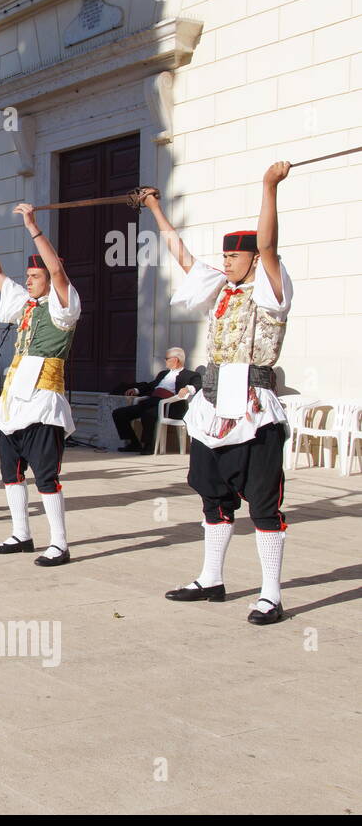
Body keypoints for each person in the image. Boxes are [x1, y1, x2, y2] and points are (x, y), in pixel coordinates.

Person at [143, 165, 295, 625]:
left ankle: (271, 593)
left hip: (252, 406)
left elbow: (268, 245)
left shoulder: (271, 290)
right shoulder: (221, 290)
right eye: (225, 255)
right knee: (212, 495)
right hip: (213, 406)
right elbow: (183, 256)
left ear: (252, 258)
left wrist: (267, 186)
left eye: (235, 255)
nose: (227, 261)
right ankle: (212, 578)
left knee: (264, 502)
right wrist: (154, 207)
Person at [0, 203, 80, 566]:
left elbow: (58, 272)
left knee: (46, 475)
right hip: (14, 399)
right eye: (29, 276)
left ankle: (60, 543)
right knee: (11, 472)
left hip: (44, 401)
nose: (29, 280)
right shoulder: (27, 304)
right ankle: (21, 534)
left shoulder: (63, 306)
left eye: (35, 276)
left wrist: (33, 226)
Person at [112, 347, 201, 453]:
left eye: (167, 358)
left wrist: (187, 389)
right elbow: (151, 385)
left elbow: (198, 385)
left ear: (175, 360)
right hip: (152, 401)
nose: (165, 361)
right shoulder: (163, 374)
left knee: (148, 414)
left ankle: (148, 446)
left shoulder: (191, 375)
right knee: (119, 413)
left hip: (169, 405)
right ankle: (134, 443)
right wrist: (136, 390)